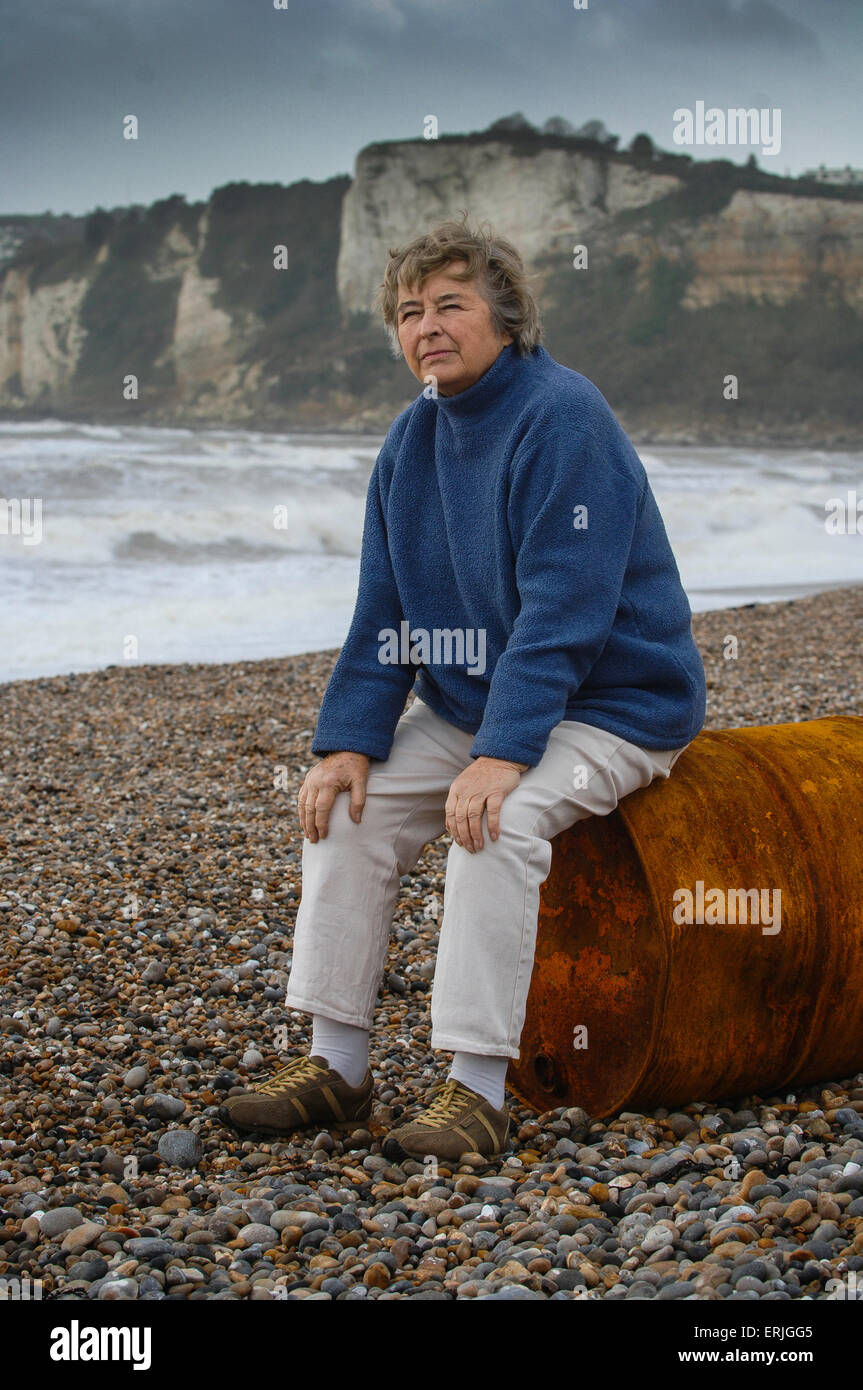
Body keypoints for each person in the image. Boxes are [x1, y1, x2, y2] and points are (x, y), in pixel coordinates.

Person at [221, 214, 706, 1163]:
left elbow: (563, 613)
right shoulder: (410, 440)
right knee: (346, 813)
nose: (426, 326)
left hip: (615, 705)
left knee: (495, 822)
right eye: (409, 311)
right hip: (476, 705)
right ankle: (337, 1065)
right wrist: (348, 739)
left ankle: (477, 1089)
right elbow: (384, 608)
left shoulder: (564, 417)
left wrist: (501, 756)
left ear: (506, 317)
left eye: (450, 304)